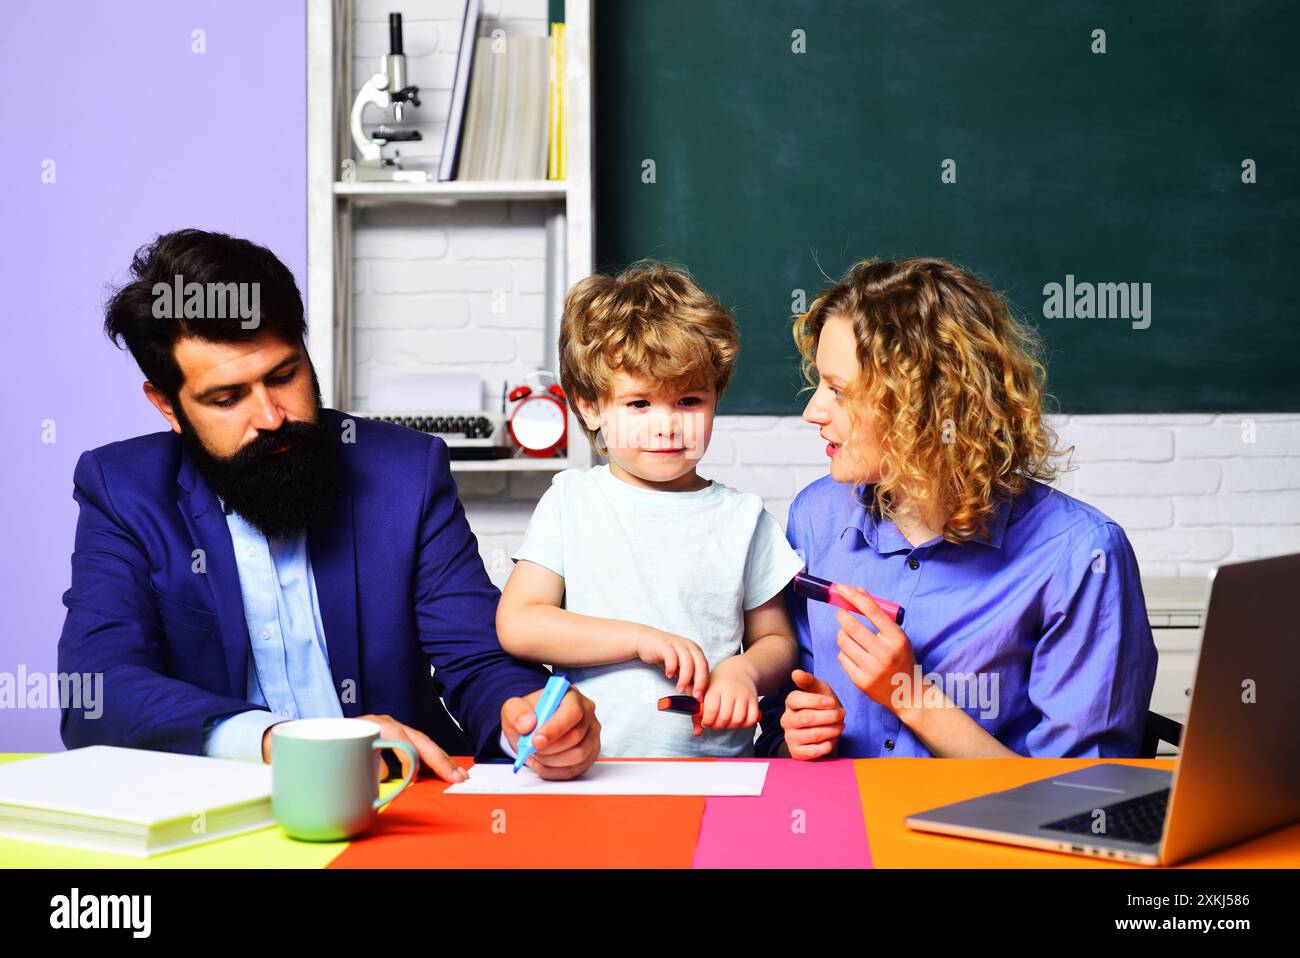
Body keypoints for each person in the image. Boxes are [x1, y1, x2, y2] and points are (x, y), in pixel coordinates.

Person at [58, 229, 600, 781]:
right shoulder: (122, 489)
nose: (271, 417)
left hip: (400, 806)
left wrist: (529, 718)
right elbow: (98, 692)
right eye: (226, 398)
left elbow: (478, 656)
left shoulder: (405, 473)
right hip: (214, 815)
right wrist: (289, 743)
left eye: (284, 375)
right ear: (167, 406)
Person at [757, 258, 1157, 759]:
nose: (812, 411)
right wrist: (798, 731)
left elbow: (1083, 799)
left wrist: (911, 696)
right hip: (839, 824)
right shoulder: (816, 517)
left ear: (922, 402)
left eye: (839, 390)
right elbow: (776, 726)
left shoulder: (1082, 556)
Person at [495, 262, 804, 756]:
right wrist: (637, 639)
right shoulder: (572, 501)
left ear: (715, 400)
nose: (666, 426)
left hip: (719, 771)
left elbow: (778, 641)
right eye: (639, 404)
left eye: (688, 400)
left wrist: (743, 670)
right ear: (591, 407)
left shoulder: (744, 518)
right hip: (591, 768)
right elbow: (519, 623)